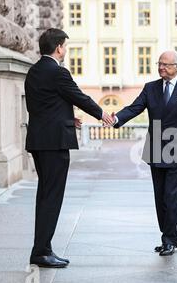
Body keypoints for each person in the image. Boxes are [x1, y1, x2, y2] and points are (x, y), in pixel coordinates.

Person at [25, 29, 112, 268]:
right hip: (54, 143)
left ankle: (43, 247)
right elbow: (78, 96)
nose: (65, 50)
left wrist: (66, 118)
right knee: (51, 197)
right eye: (65, 46)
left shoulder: (33, 71)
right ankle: (41, 252)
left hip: (39, 140)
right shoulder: (58, 72)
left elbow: (40, 105)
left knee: (45, 195)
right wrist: (102, 113)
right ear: (59, 47)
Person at [108, 51, 177, 256]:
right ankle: (171, 235)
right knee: (160, 196)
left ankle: (168, 239)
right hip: (155, 150)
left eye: (166, 65)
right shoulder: (150, 88)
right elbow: (134, 108)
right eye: (159, 64)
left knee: (171, 195)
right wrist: (117, 119)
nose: (161, 68)